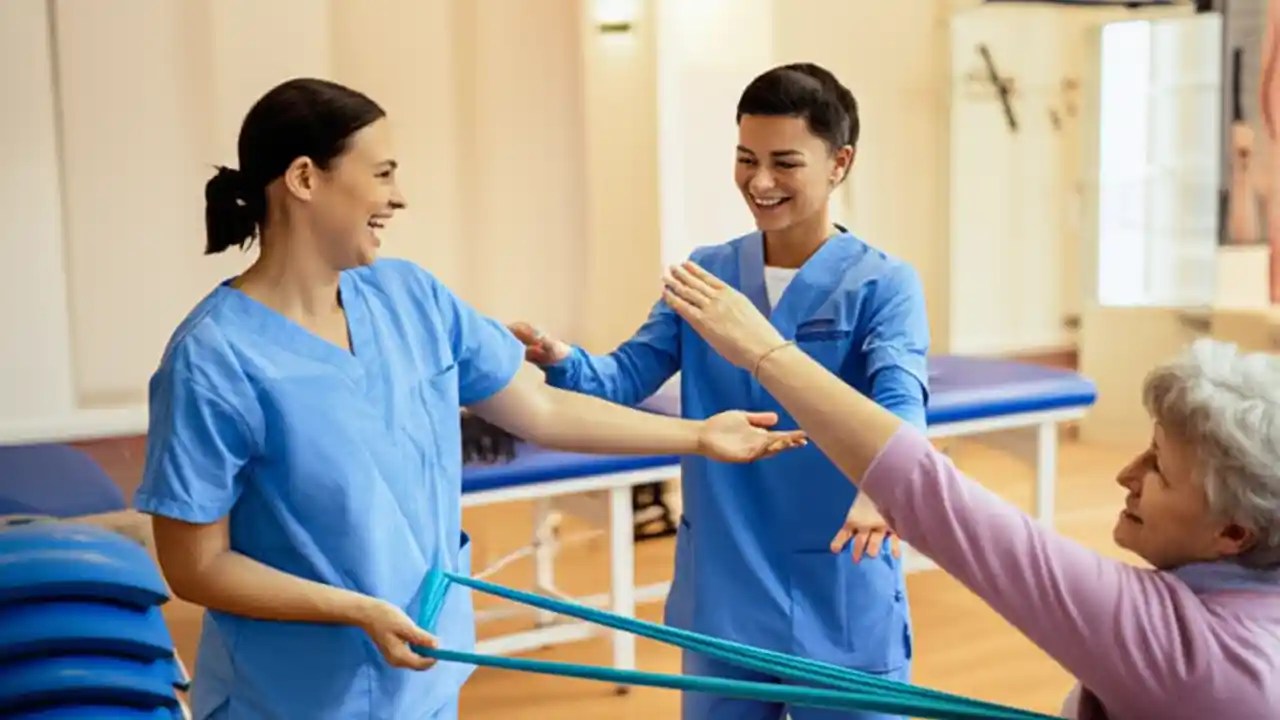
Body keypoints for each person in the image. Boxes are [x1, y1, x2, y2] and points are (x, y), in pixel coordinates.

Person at [132, 78, 807, 720]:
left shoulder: (409, 296)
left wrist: (698, 436)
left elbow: (542, 410)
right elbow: (197, 565)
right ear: (306, 178)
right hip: (291, 695)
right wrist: (352, 609)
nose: (398, 198)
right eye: (383, 172)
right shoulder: (213, 358)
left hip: (424, 672)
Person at [661, 260, 1280, 720]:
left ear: (1234, 533)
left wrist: (765, 351)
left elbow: (934, 497)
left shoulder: (1198, 656)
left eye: (1159, 470)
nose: (1127, 474)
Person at [510, 63, 929, 720]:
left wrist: (885, 486)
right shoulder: (708, 274)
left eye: (784, 162)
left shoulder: (882, 285)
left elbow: (902, 399)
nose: (759, 182)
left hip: (839, 584)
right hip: (724, 591)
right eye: (746, 159)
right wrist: (558, 357)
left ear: (840, 162)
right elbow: (621, 379)